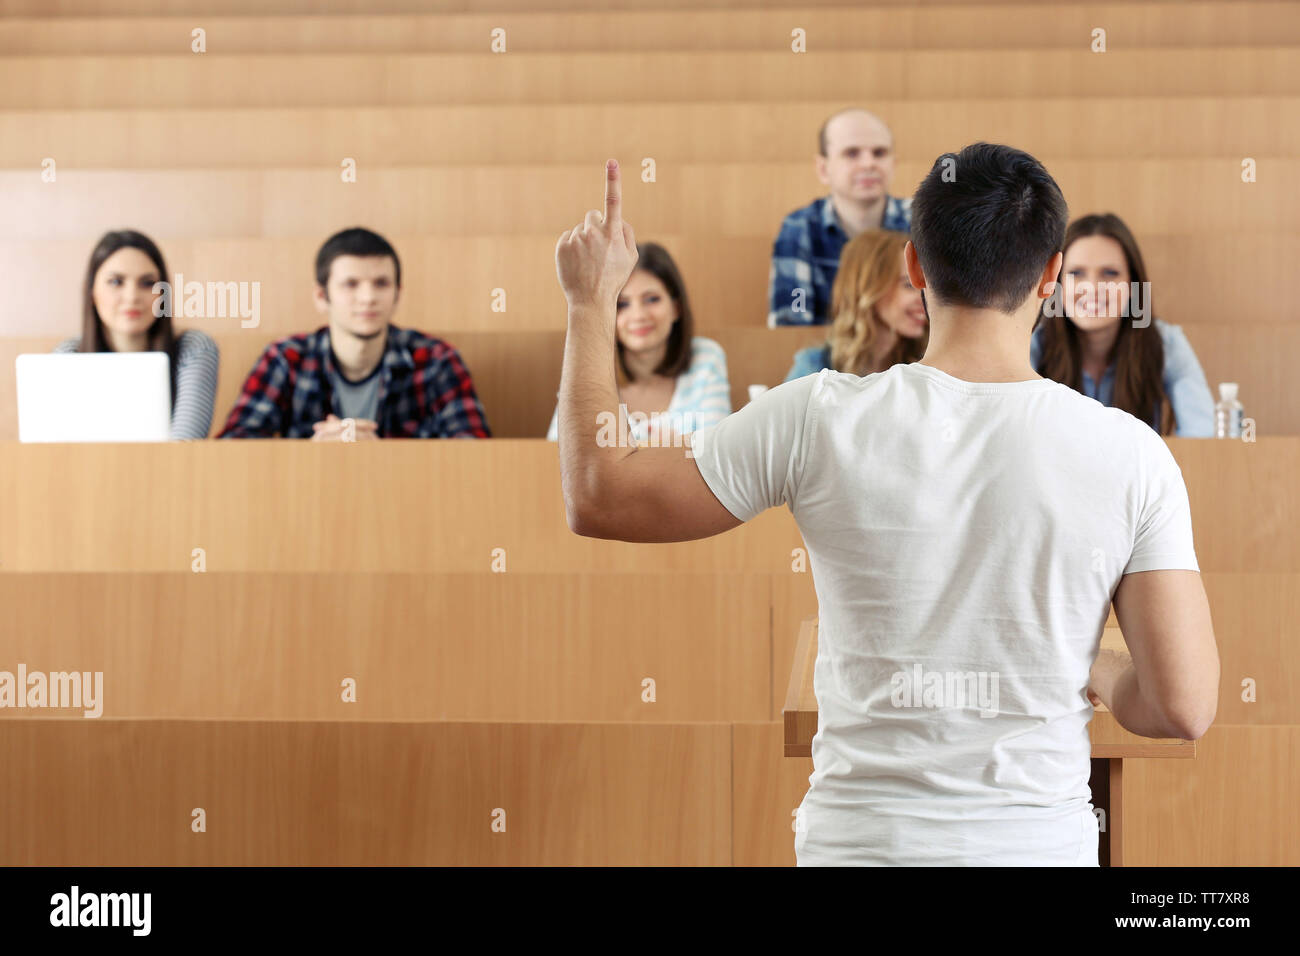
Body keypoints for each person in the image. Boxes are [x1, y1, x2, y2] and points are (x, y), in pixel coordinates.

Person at [555, 153, 1218, 866]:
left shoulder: (820, 415)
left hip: (860, 846)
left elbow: (600, 494)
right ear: (1051, 277)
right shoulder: (1132, 453)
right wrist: (1112, 672)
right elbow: (1184, 706)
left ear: (915, 267)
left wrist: (591, 303)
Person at [218, 228, 490, 439]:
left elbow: (474, 452)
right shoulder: (286, 358)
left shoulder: (436, 360)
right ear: (322, 296)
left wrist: (381, 454)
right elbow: (234, 446)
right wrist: (309, 453)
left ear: (397, 294)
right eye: (351, 284)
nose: (368, 297)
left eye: (381, 283)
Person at [1031, 213, 1215, 437]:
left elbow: (1202, 431)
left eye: (1109, 273)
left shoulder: (1166, 341)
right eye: (1076, 273)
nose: (1092, 288)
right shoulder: (1033, 344)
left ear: (1132, 285)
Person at [545, 241, 729, 445]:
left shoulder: (705, 356)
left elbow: (716, 453)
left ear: (676, 308)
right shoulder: (589, 367)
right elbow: (557, 451)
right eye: (622, 304)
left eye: (652, 299)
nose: (638, 315)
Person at [54, 230, 219, 440]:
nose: (132, 297)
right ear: (92, 292)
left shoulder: (193, 348)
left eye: (147, 283)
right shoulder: (68, 356)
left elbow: (185, 447)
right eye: (116, 282)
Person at [768, 108, 912, 327]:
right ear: (823, 168)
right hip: (828, 359)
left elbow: (942, 314)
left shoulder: (924, 222)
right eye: (852, 153)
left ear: (893, 164)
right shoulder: (799, 228)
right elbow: (791, 324)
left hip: (914, 358)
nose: (868, 163)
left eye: (879, 153)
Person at [784, 229, 927, 382]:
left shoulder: (925, 369)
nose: (924, 298)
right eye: (908, 285)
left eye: (924, 286)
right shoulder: (814, 368)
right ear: (869, 288)